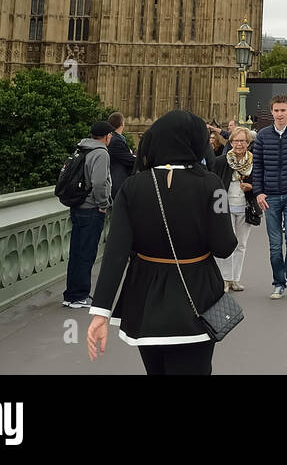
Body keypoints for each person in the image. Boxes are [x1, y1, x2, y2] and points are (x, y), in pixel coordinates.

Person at [86, 110, 237, 376]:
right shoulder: (213, 185)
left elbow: (115, 254)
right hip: (197, 296)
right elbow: (224, 247)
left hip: (145, 299)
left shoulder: (132, 187)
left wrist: (101, 312)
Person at [251, 95, 287, 300]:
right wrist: (258, 192)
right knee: (275, 245)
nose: (279, 114)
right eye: (276, 111)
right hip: (270, 196)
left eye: (283, 110)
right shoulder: (262, 135)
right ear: (272, 112)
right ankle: (279, 282)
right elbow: (257, 166)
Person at [63, 121, 113, 309]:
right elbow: (100, 182)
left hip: (77, 206)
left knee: (76, 252)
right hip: (91, 209)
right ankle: (79, 296)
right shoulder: (100, 153)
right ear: (107, 136)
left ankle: (71, 294)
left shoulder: (82, 148)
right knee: (86, 253)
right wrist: (103, 204)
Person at [216, 127, 255, 292]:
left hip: (245, 207)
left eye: (243, 141)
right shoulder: (220, 161)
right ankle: (225, 278)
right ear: (231, 142)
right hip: (225, 207)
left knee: (241, 244)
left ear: (248, 143)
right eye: (236, 141)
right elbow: (214, 185)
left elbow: (260, 183)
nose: (239, 144)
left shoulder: (254, 161)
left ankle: (235, 279)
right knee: (227, 243)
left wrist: (251, 187)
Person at [106, 112, 134, 203]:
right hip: (117, 186)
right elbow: (130, 161)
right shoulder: (116, 141)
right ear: (122, 124)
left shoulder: (114, 138)